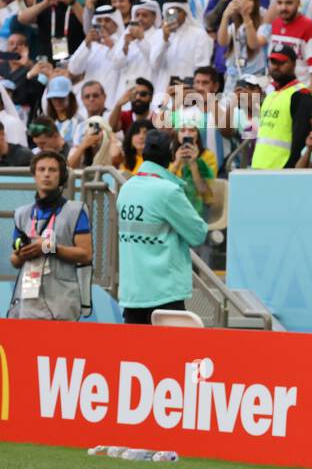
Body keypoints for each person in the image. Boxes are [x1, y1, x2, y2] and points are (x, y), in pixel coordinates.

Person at [115, 129, 209, 325]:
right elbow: (198, 233)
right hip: (164, 295)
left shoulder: (126, 188)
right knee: (169, 356)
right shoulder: (167, 191)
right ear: (171, 154)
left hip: (132, 295)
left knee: (136, 355)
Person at [7, 150, 92, 321]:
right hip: (28, 302)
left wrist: (48, 247)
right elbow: (14, 261)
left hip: (62, 302)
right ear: (34, 175)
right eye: (41, 169)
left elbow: (86, 255)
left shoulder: (75, 211)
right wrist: (21, 254)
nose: (46, 174)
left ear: (61, 176)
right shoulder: (22, 214)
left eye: (52, 170)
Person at [252, 47, 312, 169]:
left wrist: (289, 169)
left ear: (294, 64)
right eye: (273, 62)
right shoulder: (270, 95)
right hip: (258, 167)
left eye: (282, 62)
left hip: (281, 170)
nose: (276, 66)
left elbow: (300, 138)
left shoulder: (301, 95)